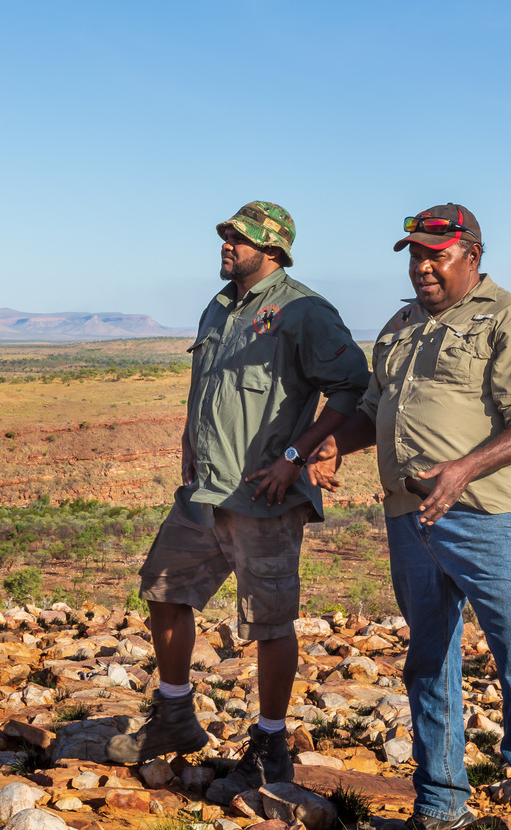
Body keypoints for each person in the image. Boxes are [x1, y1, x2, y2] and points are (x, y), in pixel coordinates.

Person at [316, 203, 511, 830]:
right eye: (415, 255)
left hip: (480, 511)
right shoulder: (400, 327)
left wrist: (462, 470)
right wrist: (328, 447)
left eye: (436, 254)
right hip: (408, 513)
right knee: (428, 657)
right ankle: (439, 809)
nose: (422, 266)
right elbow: (374, 412)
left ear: (472, 257)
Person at [106, 201, 369, 791]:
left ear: (272, 249)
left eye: (239, 237)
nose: (227, 244)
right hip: (205, 490)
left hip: (264, 494)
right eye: (225, 234)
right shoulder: (219, 307)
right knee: (164, 590)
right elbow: (209, 389)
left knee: (269, 624)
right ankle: (175, 715)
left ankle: (271, 743)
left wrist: (299, 456)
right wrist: (188, 446)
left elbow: (352, 387)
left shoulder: (303, 311)